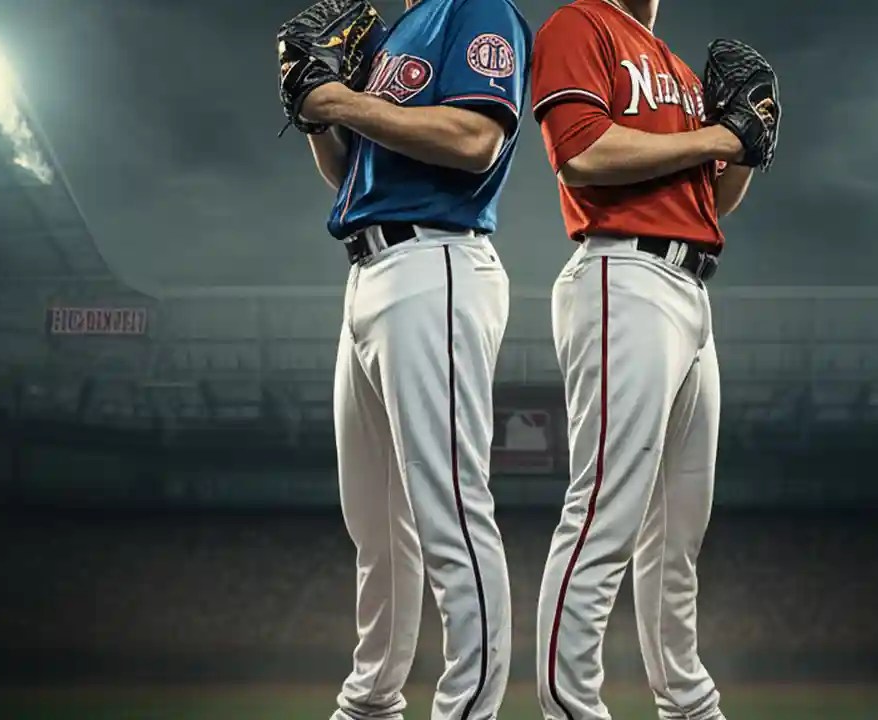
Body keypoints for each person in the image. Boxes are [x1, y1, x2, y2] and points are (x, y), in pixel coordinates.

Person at [528, 0, 774, 718]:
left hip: (692, 288)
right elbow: (582, 154)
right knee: (605, 513)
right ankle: (572, 707)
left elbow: (714, 200)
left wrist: (747, 144)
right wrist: (717, 135)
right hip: (623, 272)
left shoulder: (681, 71)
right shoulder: (581, 23)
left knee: (678, 536)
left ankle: (688, 705)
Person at [287, 0, 532, 717]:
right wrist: (315, 111)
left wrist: (340, 99)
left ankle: (467, 711)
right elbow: (350, 173)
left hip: (437, 261)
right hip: (367, 271)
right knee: (376, 526)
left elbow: (476, 137)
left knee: (450, 512)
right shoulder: (390, 37)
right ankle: (371, 703)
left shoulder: (476, 9)